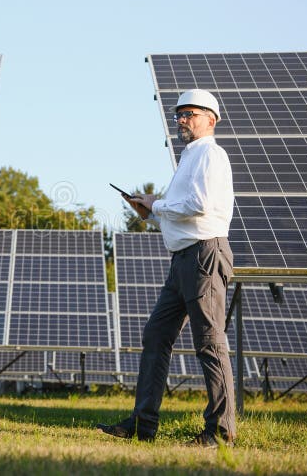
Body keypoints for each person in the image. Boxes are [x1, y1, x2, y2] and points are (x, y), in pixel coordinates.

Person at [97, 89, 236, 447]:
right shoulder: (189, 159)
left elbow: (199, 205)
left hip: (204, 255)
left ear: (211, 119)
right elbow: (181, 214)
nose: (181, 120)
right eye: (179, 114)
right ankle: (142, 425)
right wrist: (150, 209)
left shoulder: (211, 155)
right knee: (156, 335)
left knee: (209, 342)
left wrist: (157, 205)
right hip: (183, 258)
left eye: (190, 113)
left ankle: (220, 433)